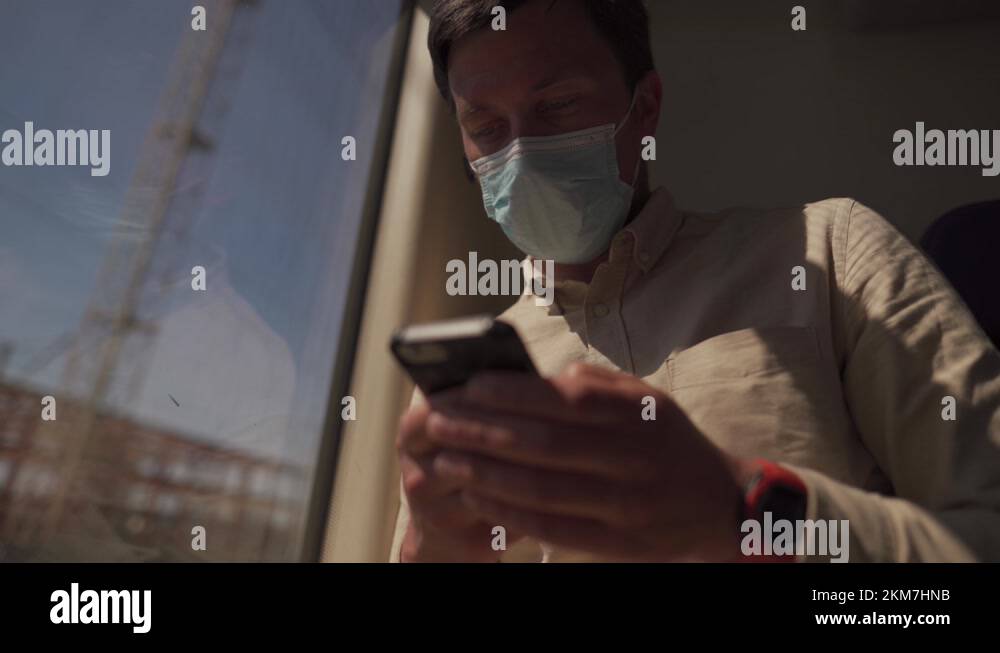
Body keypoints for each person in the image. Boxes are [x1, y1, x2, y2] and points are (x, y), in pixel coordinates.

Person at [390, 0, 1000, 562]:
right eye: (489, 128)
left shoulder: (830, 255)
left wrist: (746, 509)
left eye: (558, 105)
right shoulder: (462, 396)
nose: (523, 154)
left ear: (646, 108)